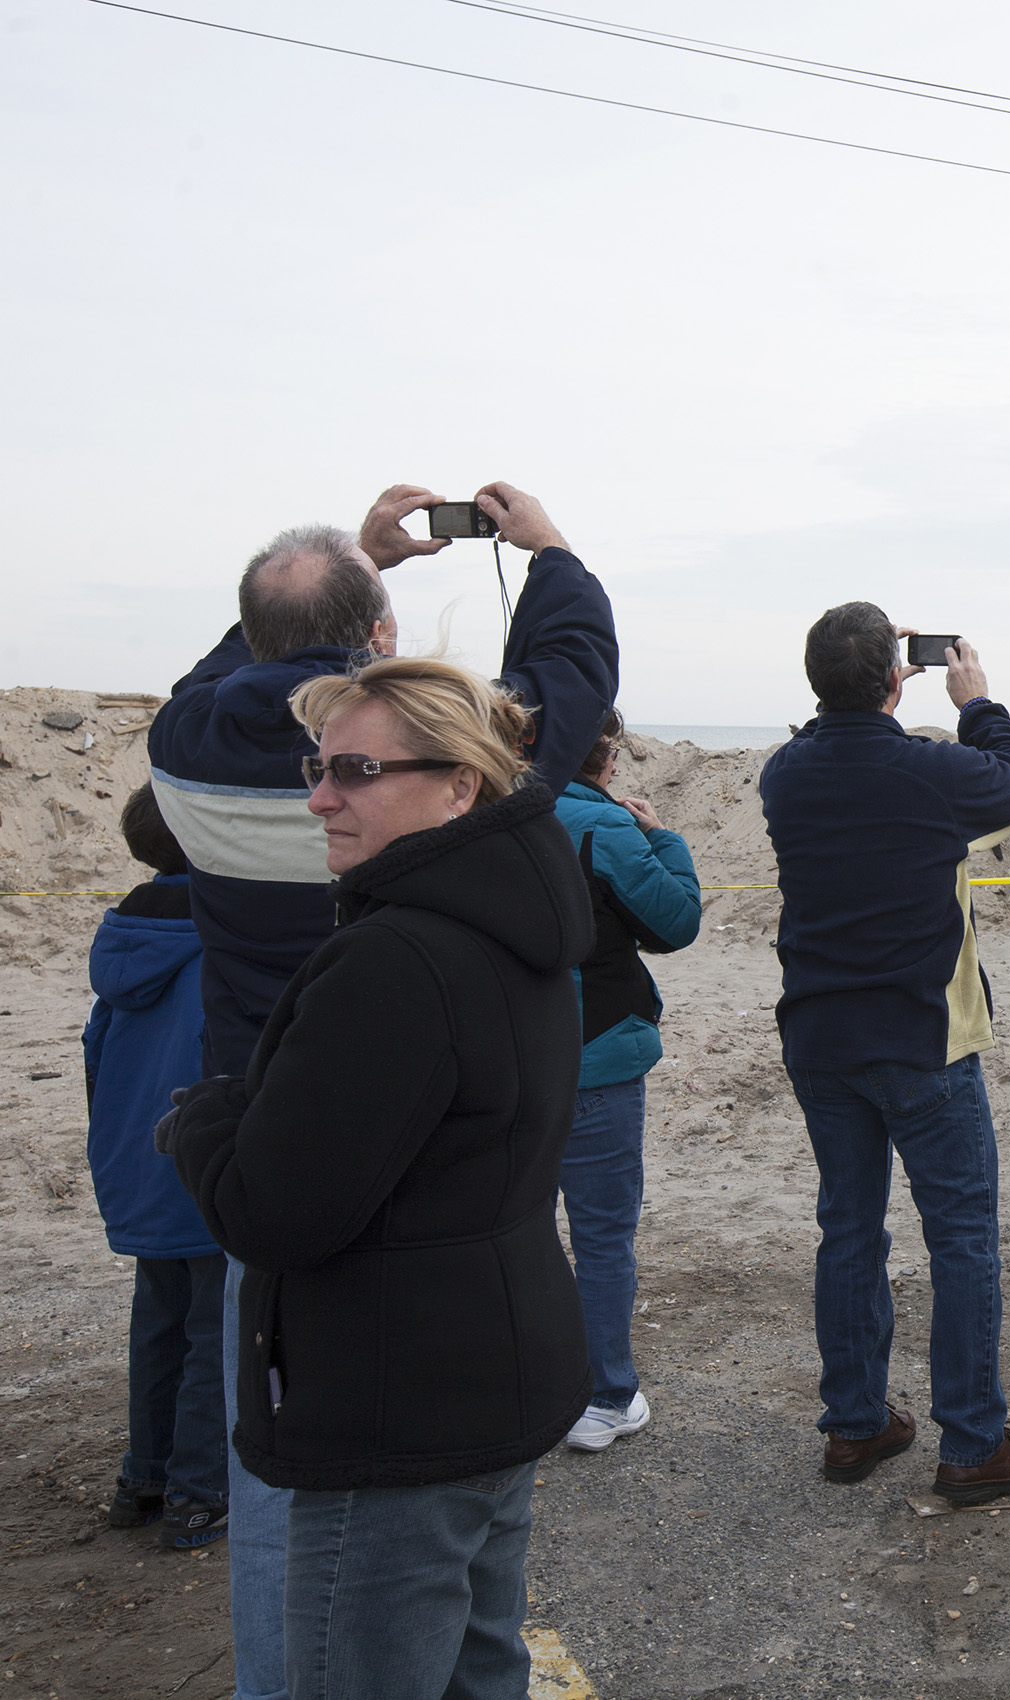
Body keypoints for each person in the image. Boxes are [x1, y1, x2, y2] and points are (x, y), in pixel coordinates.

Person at [146, 481, 616, 1700]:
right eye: (324, 766)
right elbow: (563, 679)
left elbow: (228, 674)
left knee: (291, 1495)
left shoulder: (187, 752)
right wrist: (549, 554)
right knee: (461, 1632)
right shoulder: (500, 874)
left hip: (303, 1163)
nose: (322, 793)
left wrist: (355, 566)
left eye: (349, 769)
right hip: (465, 1277)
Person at [758, 603, 1010, 1501]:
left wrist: (870, 692)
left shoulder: (785, 775)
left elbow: (833, 742)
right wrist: (976, 702)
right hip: (923, 1039)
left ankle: (855, 1426)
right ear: (897, 678)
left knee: (849, 1228)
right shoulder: (930, 774)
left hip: (821, 1037)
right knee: (960, 1238)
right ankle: (972, 1442)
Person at [553, 710, 703, 1451]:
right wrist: (663, 837)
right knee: (602, 1238)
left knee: (512, 1232)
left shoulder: (482, 813)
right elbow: (675, 921)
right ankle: (605, 1397)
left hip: (506, 1056)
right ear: (604, 759)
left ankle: (526, 1386)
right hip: (597, 1053)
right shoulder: (604, 826)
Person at [83, 786, 227, 1550]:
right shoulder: (225, 934)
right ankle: (196, 1493)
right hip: (199, 1161)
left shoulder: (127, 935)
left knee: (159, 1322)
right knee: (213, 1330)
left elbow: (96, 1057)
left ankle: (143, 1477)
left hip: (135, 1158)